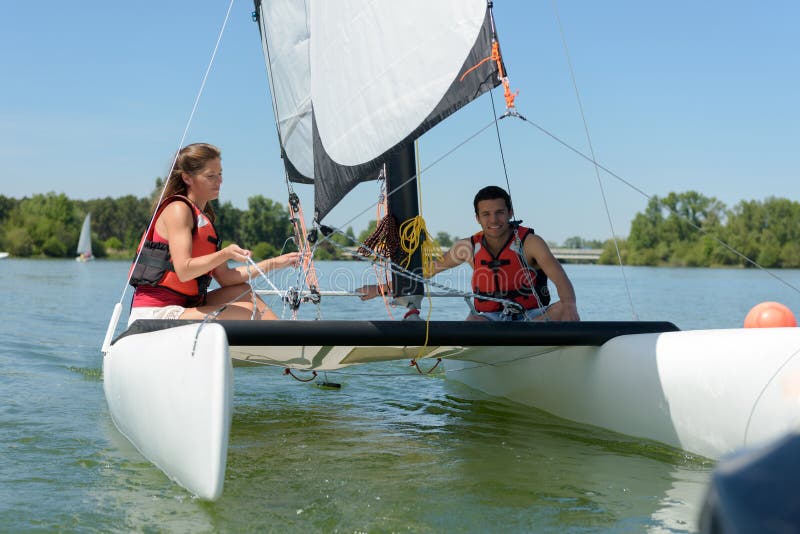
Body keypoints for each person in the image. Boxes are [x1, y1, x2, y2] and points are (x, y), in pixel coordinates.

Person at [128, 143, 299, 323]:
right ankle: (281, 345)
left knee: (242, 292)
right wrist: (225, 253)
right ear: (187, 178)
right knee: (250, 312)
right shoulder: (178, 210)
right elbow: (184, 271)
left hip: (186, 305)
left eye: (220, 174)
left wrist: (278, 262)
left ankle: (289, 343)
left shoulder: (203, 218)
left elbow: (227, 278)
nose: (219, 181)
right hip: (155, 313)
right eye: (211, 176)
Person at [360, 185, 579, 322]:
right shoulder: (467, 247)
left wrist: (569, 305)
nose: (493, 220)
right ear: (477, 218)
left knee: (562, 308)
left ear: (510, 213)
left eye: (500, 213)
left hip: (534, 318)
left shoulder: (531, 243)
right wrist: (382, 289)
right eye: (486, 214)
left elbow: (561, 279)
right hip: (489, 319)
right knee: (473, 322)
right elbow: (424, 273)